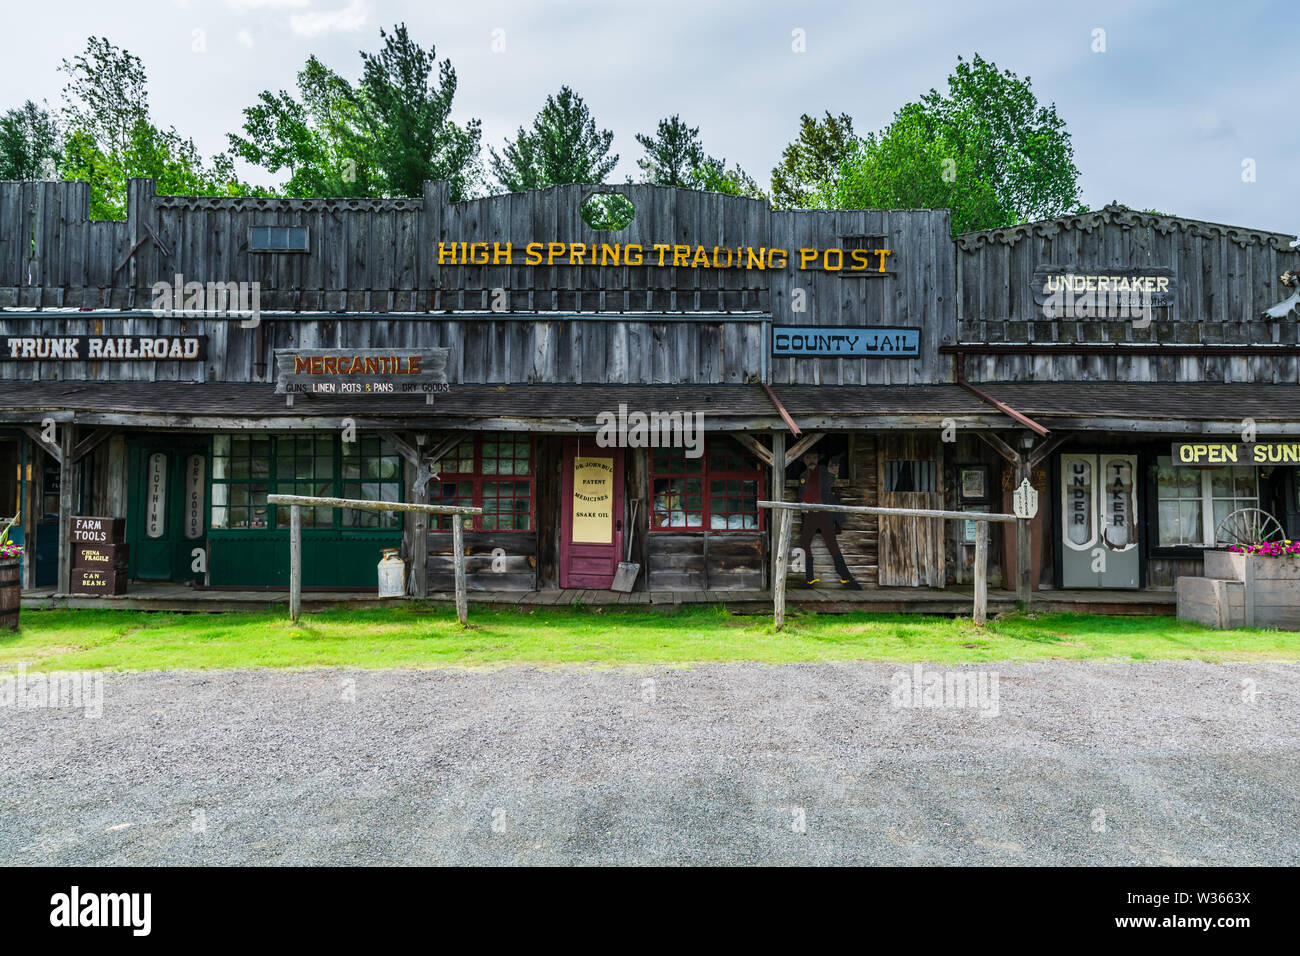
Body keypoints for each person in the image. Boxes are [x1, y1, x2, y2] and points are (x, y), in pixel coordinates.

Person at [795, 452, 861, 589]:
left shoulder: (824, 471)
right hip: (810, 516)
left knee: (832, 545)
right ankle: (809, 579)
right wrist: (802, 503)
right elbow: (800, 495)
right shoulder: (802, 476)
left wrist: (834, 463)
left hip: (824, 514)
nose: (811, 460)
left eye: (813, 457)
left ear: (818, 459)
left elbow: (831, 475)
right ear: (804, 460)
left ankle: (846, 578)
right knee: (804, 543)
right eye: (808, 458)